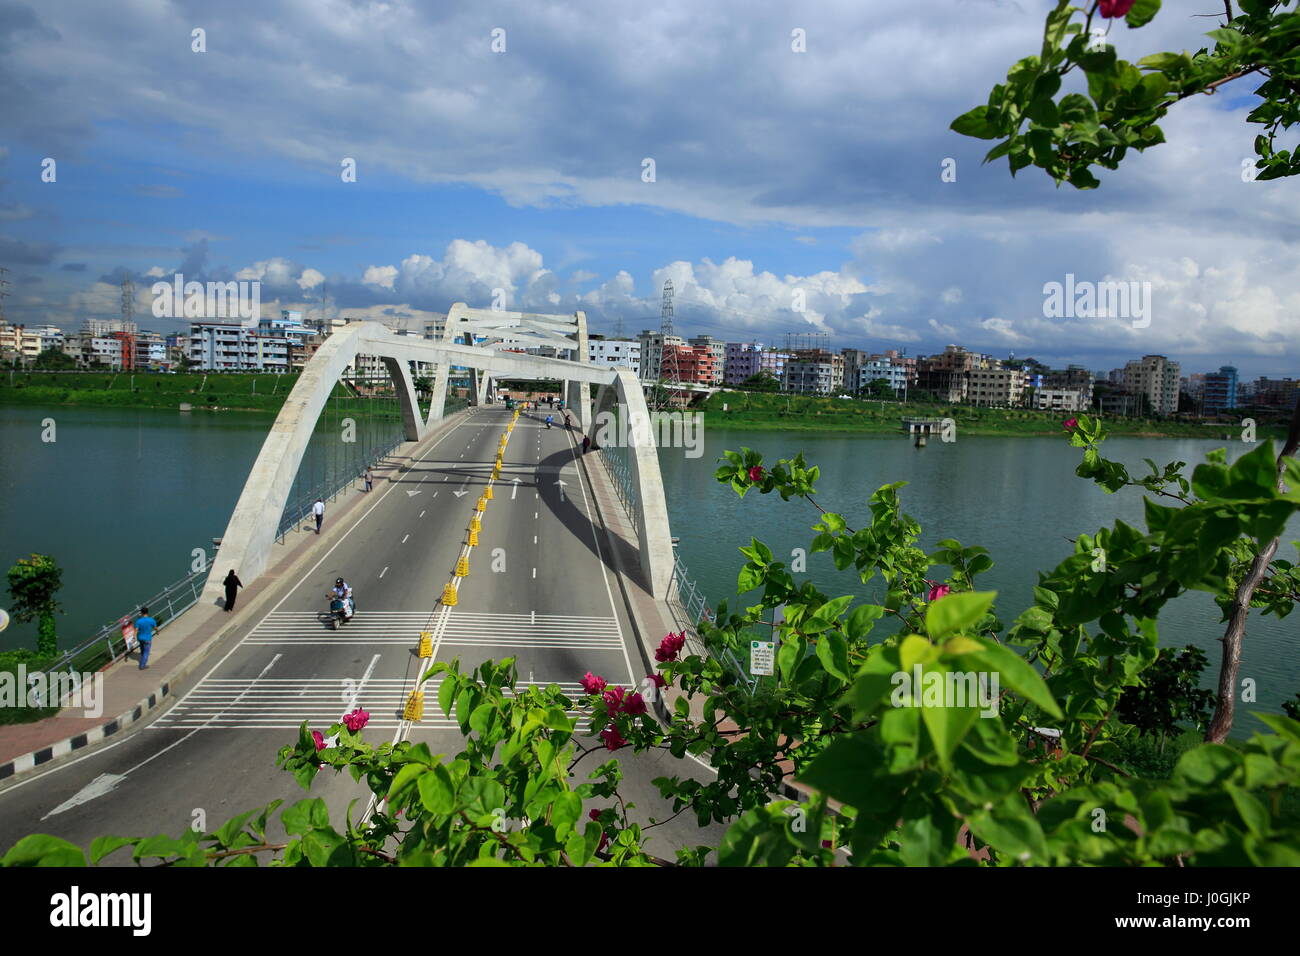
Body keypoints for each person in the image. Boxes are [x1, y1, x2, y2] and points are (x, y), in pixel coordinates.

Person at [134, 606, 158, 670]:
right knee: (146, 653)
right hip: (147, 639)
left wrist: (134, 637)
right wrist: (157, 632)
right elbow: (155, 628)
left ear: (141, 613)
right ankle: (142, 665)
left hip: (140, 638)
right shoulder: (151, 620)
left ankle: (142, 660)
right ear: (147, 612)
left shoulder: (138, 621)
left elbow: (136, 630)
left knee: (142, 651)